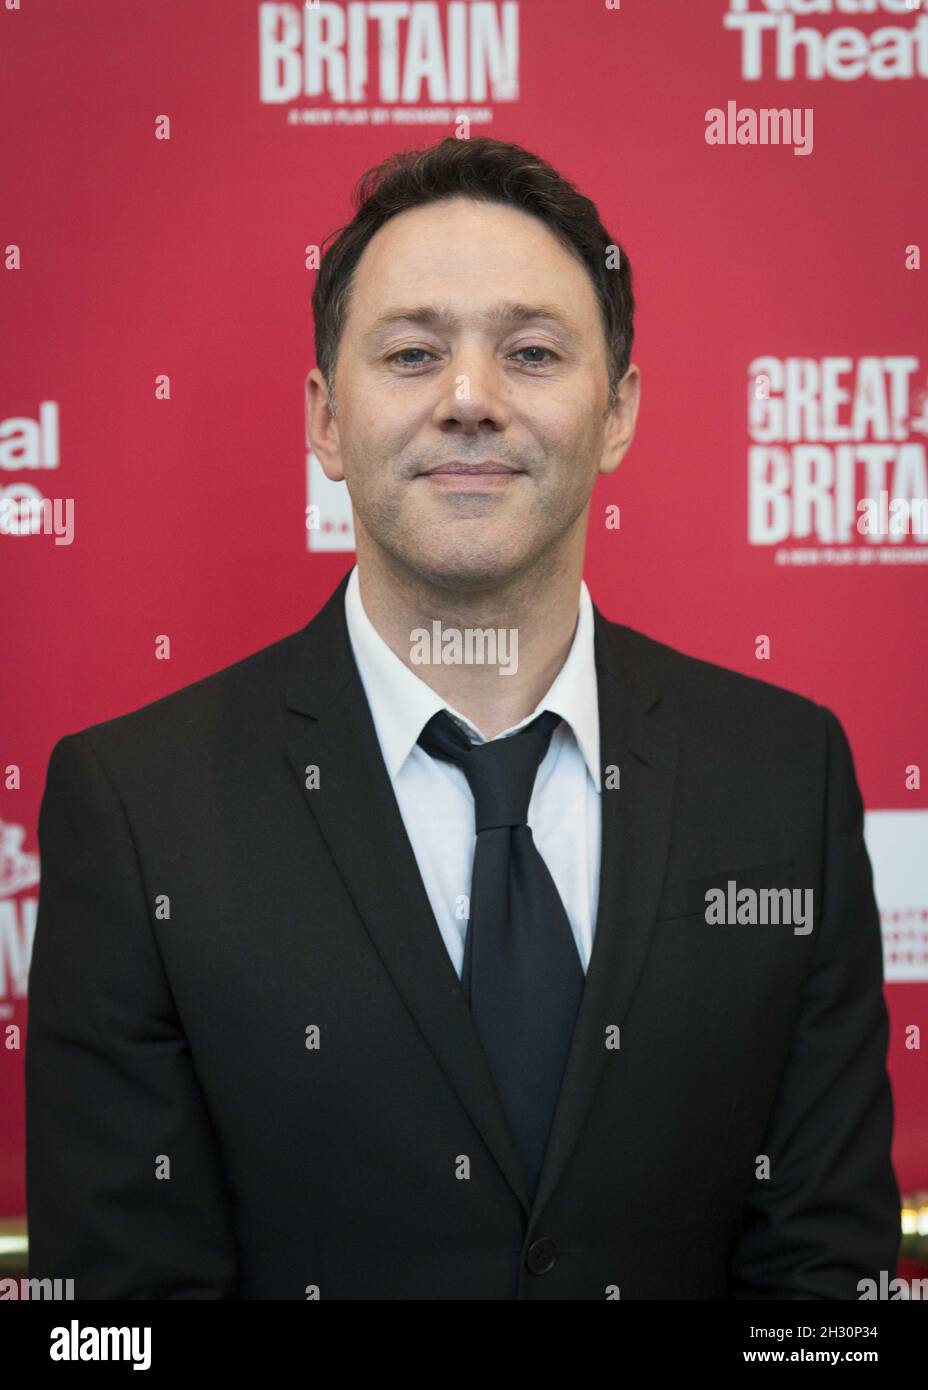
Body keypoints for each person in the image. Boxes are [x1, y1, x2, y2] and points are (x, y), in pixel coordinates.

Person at [26, 136, 900, 1299]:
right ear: (327, 420)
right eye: (412, 352)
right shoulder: (136, 805)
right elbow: (121, 1311)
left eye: (531, 352)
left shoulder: (784, 774)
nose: (471, 400)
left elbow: (823, 1277)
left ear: (619, 411)